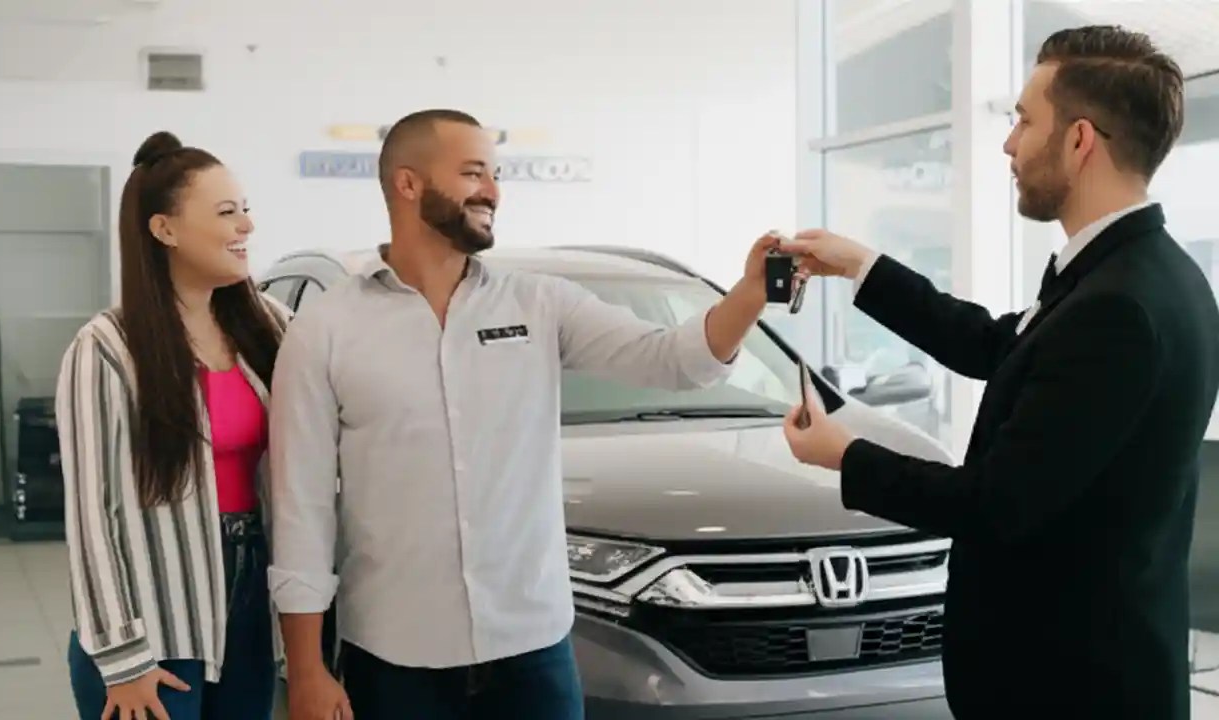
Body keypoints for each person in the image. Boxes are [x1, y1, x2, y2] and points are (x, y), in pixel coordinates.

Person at [268, 108, 783, 720]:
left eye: (496, 174)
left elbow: (674, 360)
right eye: (472, 172)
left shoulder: (539, 303)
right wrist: (306, 669)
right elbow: (301, 509)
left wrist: (751, 292)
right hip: (393, 655)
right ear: (408, 184)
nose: (492, 190)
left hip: (532, 652)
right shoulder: (327, 327)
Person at [781, 25, 1218, 720]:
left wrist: (846, 455)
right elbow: (996, 344)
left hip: (1069, 687)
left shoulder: (1117, 307)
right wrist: (861, 266)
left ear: (1079, 141)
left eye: (1023, 120)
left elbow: (995, 504)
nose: (1009, 143)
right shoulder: (1152, 275)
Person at [56, 131, 290, 720]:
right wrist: (122, 659)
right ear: (164, 230)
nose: (247, 226)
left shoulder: (268, 325)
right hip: (155, 617)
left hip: (251, 599)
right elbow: (91, 515)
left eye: (245, 210)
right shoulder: (107, 347)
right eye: (227, 212)